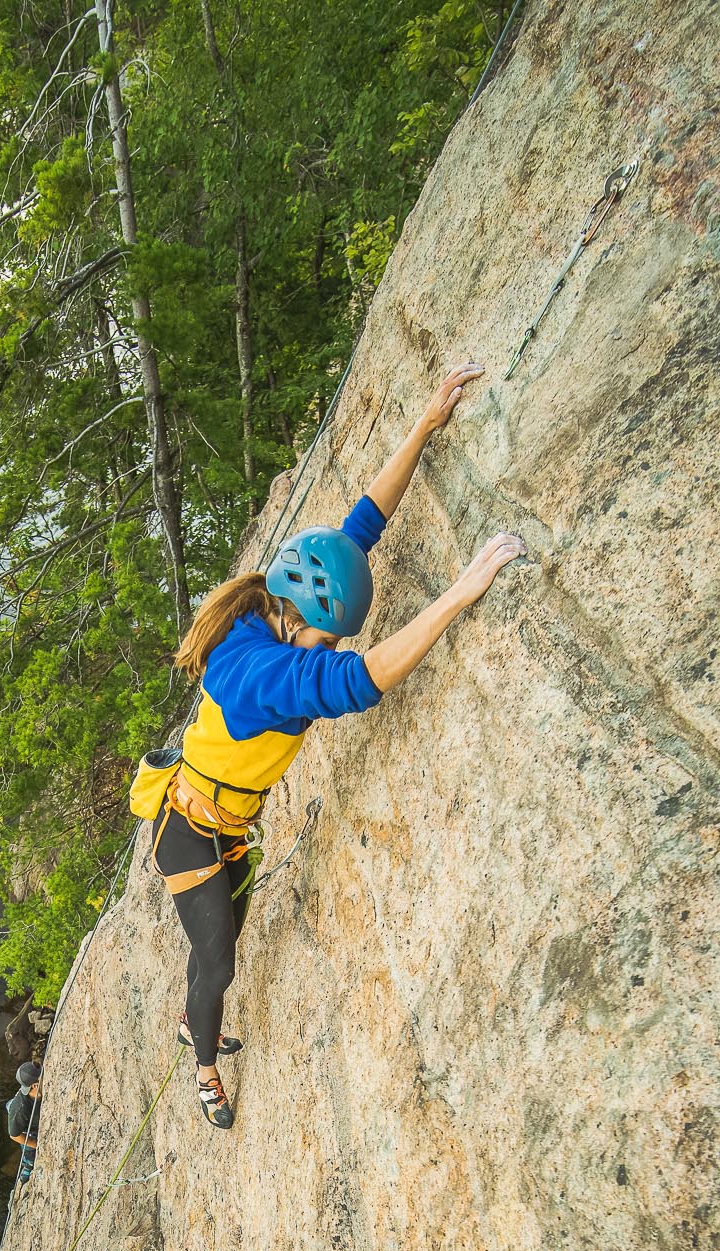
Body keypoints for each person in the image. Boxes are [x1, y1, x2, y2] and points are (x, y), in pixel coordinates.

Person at [150, 363, 525, 1130]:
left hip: (227, 824)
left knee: (219, 945)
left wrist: (424, 424)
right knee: (216, 960)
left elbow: (358, 530)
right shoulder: (261, 672)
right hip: (188, 831)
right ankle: (201, 1064)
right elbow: (360, 679)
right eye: (327, 633)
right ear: (300, 619)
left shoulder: (271, 604)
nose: (329, 645)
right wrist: (457, 594)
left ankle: (200, 1017)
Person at [6, 1062, 41, 1181]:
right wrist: (36, 1144)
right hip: (27, 1130)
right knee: (30, 1152)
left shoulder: (35, 1091)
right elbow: (14, 1135)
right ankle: (27, 1164)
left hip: (21, 1110)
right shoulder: (21, 1109)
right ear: (35, 1085)